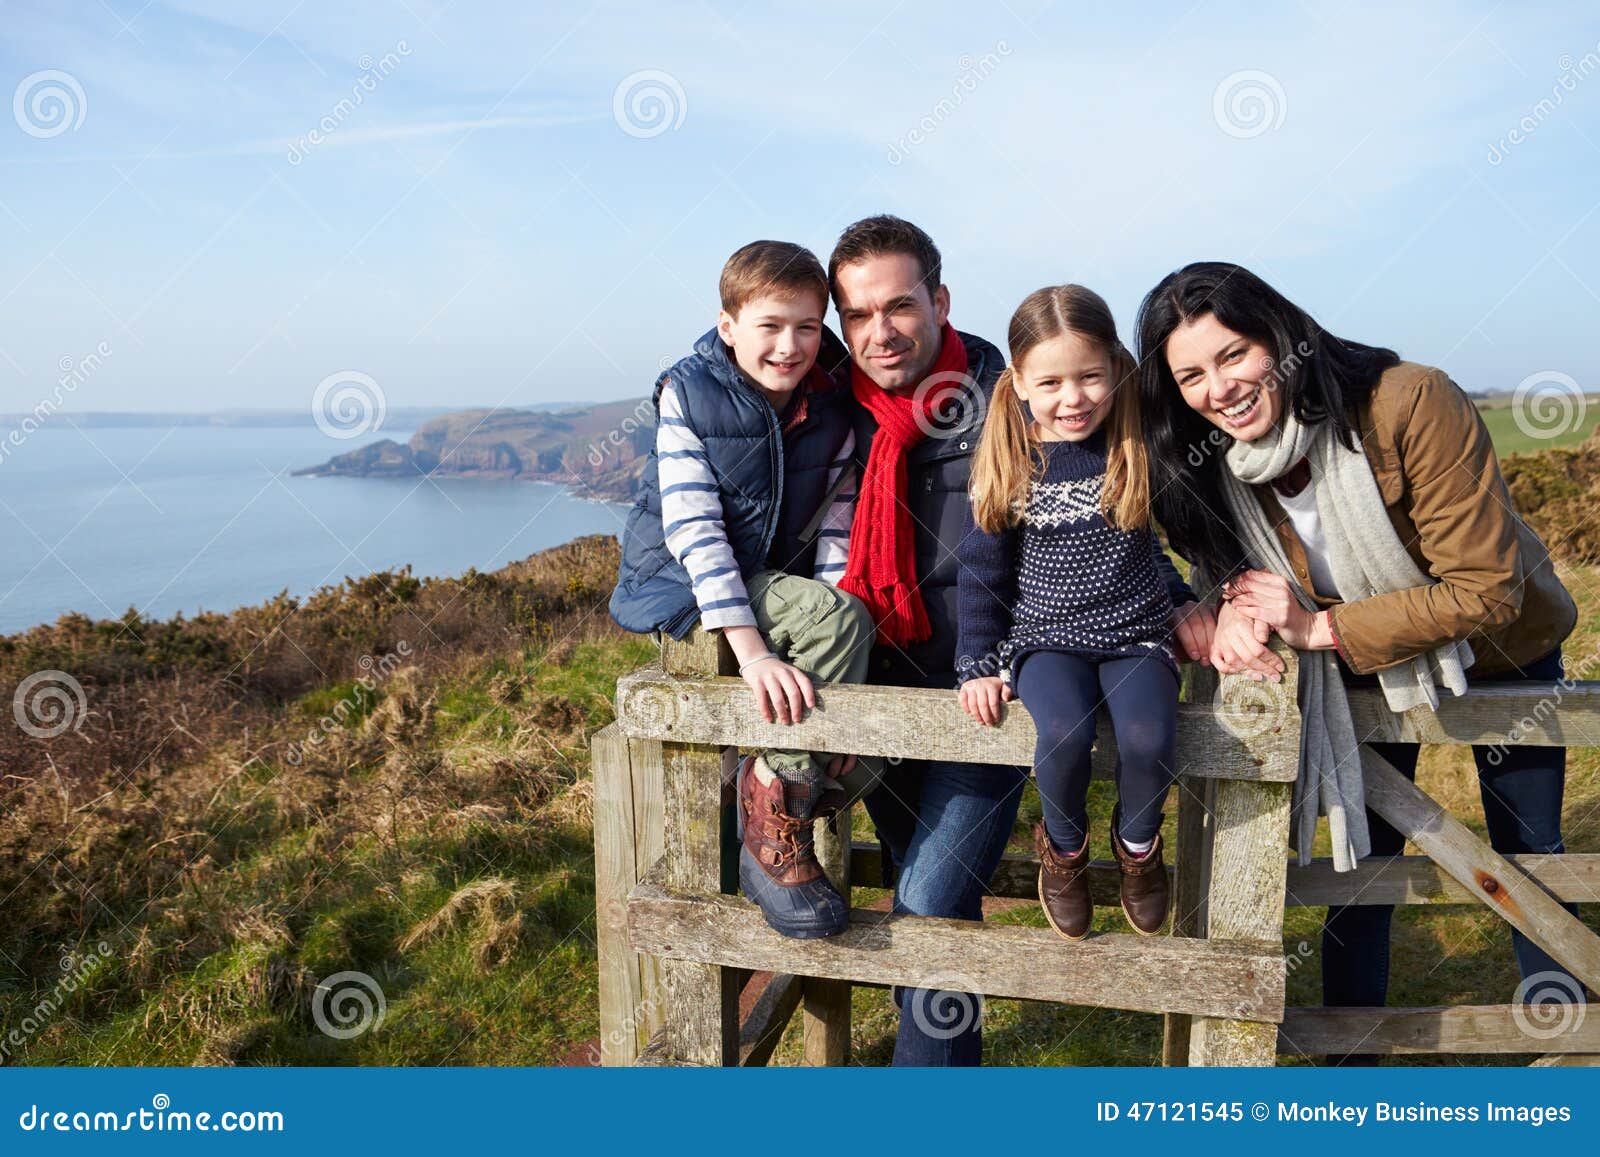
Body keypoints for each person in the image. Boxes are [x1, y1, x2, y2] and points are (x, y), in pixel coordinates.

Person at [1135, 260, 1584, 1061]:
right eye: (1192, 374)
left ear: (1280, 334)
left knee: (1528, 856)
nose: (1220, 387)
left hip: (1501, 655)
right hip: (1363, 680)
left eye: (1234, 353)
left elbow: (1486, 588)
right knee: (1361, 870)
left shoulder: (1409, 400)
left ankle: (1570, 1056)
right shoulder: (1215, 465)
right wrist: (1211, 606)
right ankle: (1351, 1064)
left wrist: (1318, 632)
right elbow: (1218, 568)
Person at [609, 239, 875, 939]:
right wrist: (753, 651)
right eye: (770, 325)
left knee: (843, 619)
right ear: (728, 326)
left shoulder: (834, 401)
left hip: (766, 575)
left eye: (809, 327)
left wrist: (833, 629)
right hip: (680, 583)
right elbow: (695, 529)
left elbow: (837, 526)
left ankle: (785, 782)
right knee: (834, 619)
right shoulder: (691, 393)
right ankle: (769, 809)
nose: (790, 346)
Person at [954, 285, 1211, 942]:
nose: (1074, 397)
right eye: (1051, 381)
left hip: (1136, 636)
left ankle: (1138, 848)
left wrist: (1181, 601)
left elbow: (1146, 546)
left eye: (1090, 376)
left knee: (1149, 739)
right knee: (1064, 733)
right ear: (1018, 382)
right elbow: (983, 575)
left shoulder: (1130, 446)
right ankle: (1065, 852)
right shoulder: (1014, 461)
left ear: (1116, 369)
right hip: (1048, 639)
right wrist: (978, 664)